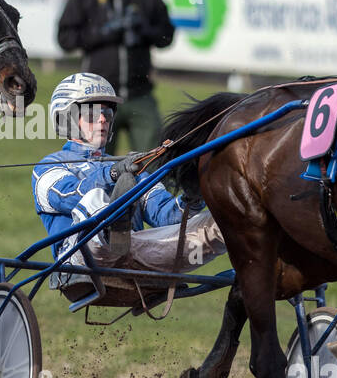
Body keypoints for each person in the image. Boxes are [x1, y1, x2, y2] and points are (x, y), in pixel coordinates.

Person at [32, 73, 223, 280]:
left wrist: (193, 197)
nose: (103, 118)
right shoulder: (48, 167)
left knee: (219, 221)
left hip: (140, 255)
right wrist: (114, 174)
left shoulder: (130, 168)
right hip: (79, 259)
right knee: (94, 198)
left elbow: (167, 217)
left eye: (107, 112)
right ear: (66, 118)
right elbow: (70, 195)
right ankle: (114, 230)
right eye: (93, 112)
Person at [57, 0, 175, 153]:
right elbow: (65, 38)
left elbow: (166, 36)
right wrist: (101, 33)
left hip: (139, 95)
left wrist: (144, 30)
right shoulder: (84, 0)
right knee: (95, 163)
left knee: (153, 161)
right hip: (98, 97)